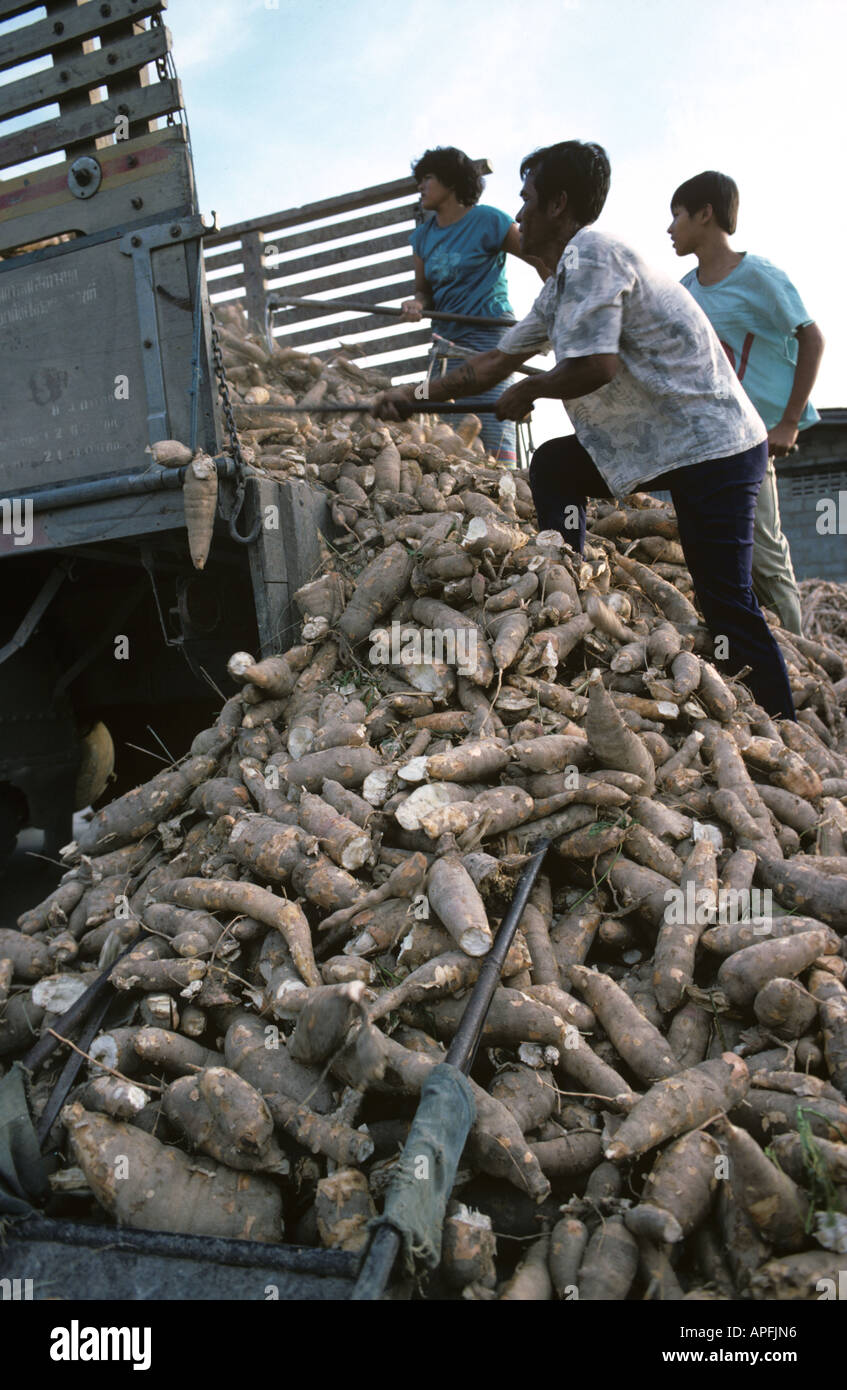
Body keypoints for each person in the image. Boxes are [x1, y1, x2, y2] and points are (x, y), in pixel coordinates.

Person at [377, 140, 795, 721]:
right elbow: (490, 365)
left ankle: (781, 721)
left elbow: (598, 365)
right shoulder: (560, 288)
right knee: (554, 466)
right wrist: (412, 396)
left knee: (726, 601)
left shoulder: (594, 255)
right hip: (659, 441)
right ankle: (563, 593)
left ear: (558, 204)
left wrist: (532, 390)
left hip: (715, 447)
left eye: (526, 201)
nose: (518, 216)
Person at [668, 171, 825, 636]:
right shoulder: (684, 291)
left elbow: (812, 338)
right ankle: (742, 659)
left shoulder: (759, 277)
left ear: (705, 213)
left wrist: (789, 422)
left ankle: (800, 663)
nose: (670, 227)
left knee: (765, 555)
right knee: (715, 555)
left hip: (752, 437)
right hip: (704, 445)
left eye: (676, 215)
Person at [401, 146, 549, 465]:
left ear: (451, 181)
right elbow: (422, 290)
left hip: (489, 337)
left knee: (492, 427)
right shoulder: (423, 237)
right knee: (451, 437)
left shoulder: (489, 221)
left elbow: (538, 257)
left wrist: (558, 305)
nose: (421, 186)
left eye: (428, 178)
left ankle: (502, 496)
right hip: (447, 344)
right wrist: (416, 303)